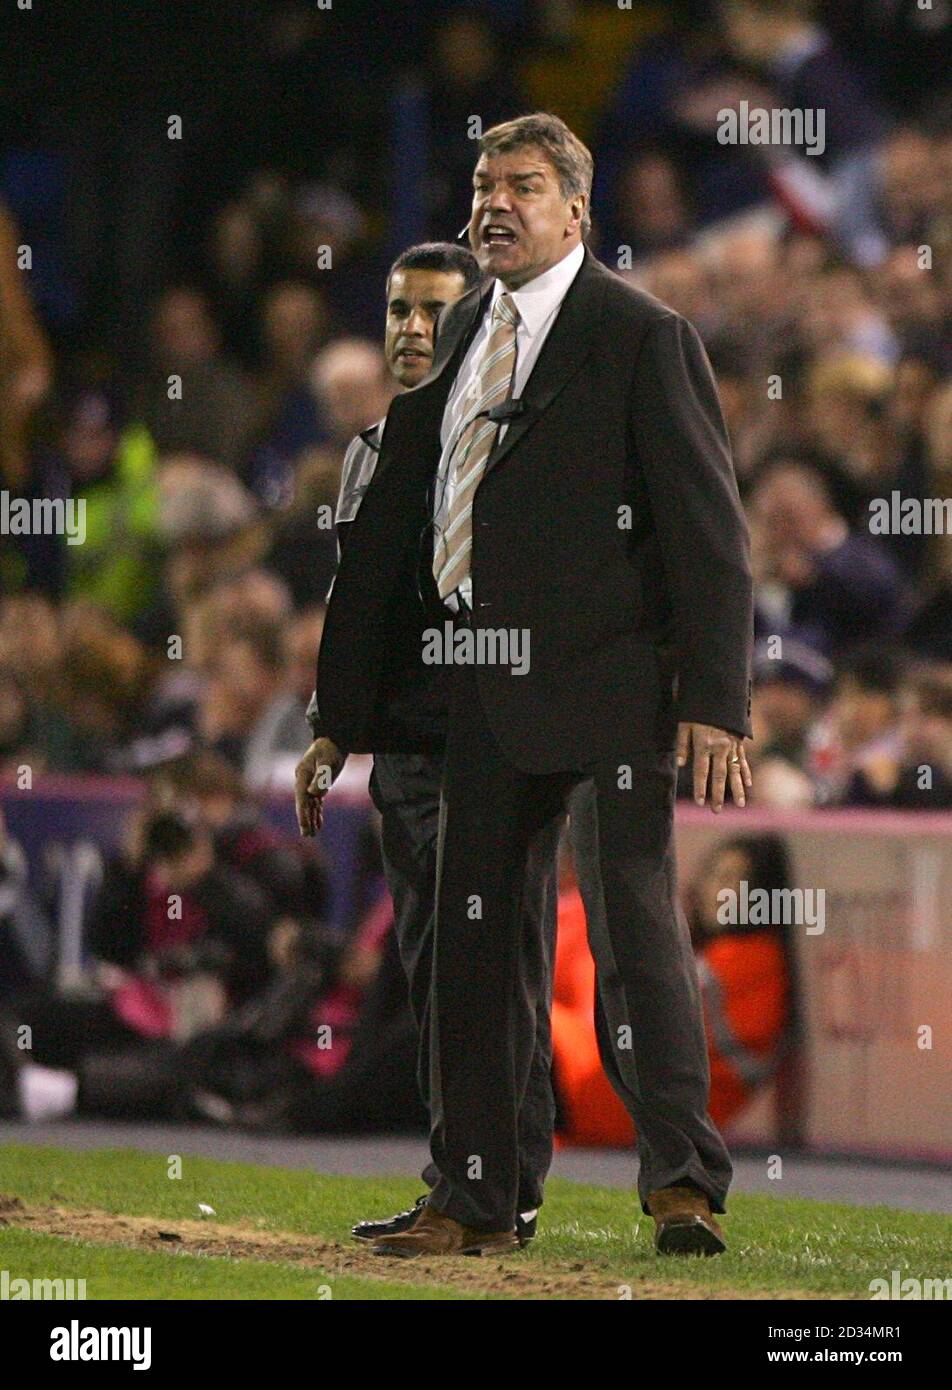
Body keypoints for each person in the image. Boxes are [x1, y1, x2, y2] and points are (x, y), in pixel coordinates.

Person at [310, 114, 754, 1257]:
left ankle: (682, 1184)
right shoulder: (463, 332)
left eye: (521, 185)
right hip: (481, 690)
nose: (493, 203)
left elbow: (709, 533)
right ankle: (475, 1195)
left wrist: (715, 700)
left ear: (576, 211)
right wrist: (340, 716)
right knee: (467, 945)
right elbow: (398, 526)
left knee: (635, 934)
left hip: (609, 687)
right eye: (480, 183)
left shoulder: (640, 333)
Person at [295, 241, 559, 1248]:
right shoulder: (371, 449)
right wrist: (331, 732)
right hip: (403, 750)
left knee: (501, 971)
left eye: (433, 312)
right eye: (398, 310)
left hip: (497, 742)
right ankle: (465, 1182)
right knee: (434, 975)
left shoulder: (519, 437)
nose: (410, 330)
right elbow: (353, 610)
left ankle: (497, 1191)